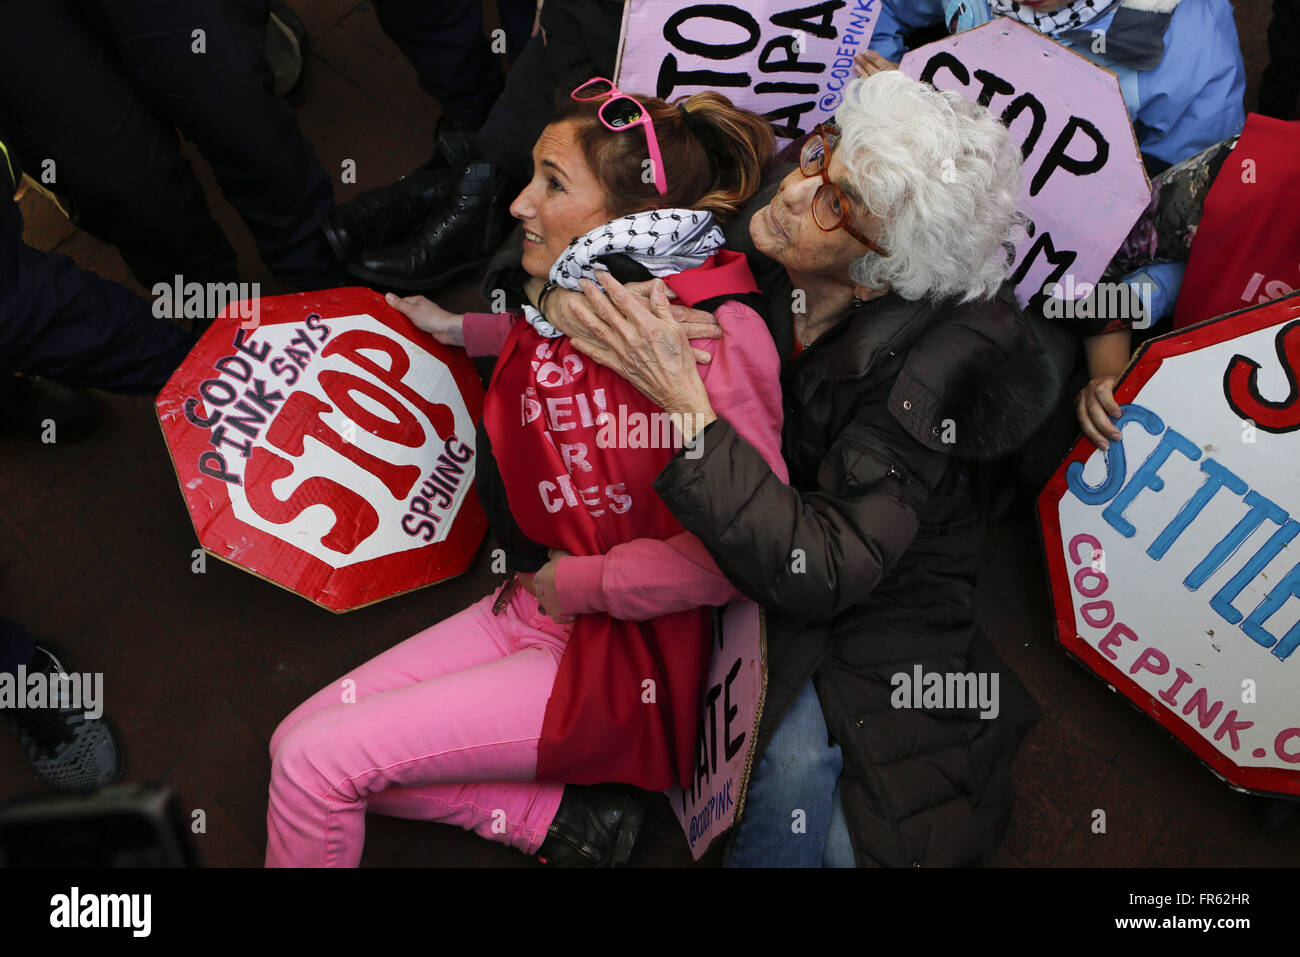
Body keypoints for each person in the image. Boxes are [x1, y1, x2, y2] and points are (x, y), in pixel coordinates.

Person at [534, 71, 1055, 865]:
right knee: (788, 769)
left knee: (856, 835)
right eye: (822, 152)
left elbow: (825, 565)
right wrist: (568, 300)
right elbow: (586, 234)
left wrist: (689, 408)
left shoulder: (934, 370)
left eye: (835, 203)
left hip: (877, 583)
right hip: (751, 531)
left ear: (881, 273)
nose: (793, 187)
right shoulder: (781, 212)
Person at [264, 82, 787, 867]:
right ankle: (561, 825)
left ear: (626, 222)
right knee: (292, 743)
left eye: (552, 182)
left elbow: (741, 551)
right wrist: (458, 327)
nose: (516, 205)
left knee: (314, 769)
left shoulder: (716, 337)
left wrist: (574, 587)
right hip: (535, 604)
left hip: (621, 658)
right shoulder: (597, 288)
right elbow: (551, 344)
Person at [859, 0, 1247, 459]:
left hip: (1060, 284)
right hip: (920, 206)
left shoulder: (1193, 41)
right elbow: (880, 11)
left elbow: (1195, 228)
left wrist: (1111, 309)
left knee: (1007, 408)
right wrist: (884, 98)